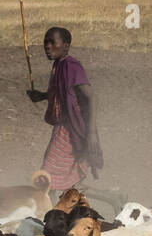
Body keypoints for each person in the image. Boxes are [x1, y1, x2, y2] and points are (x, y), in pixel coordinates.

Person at [27, 26, 103, 191]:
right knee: (62, 179)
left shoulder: (71, 65)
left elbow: (91, 97)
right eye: (45, 42)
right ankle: (75, 206)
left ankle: (50, 212)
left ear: (66, 46)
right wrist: (41, 96)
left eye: (53, 42)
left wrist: (90, 134)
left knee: (47, 176)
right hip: (63, 126)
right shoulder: (59, 65)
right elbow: (64, 92)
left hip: (71, 128)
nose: (47, 46)